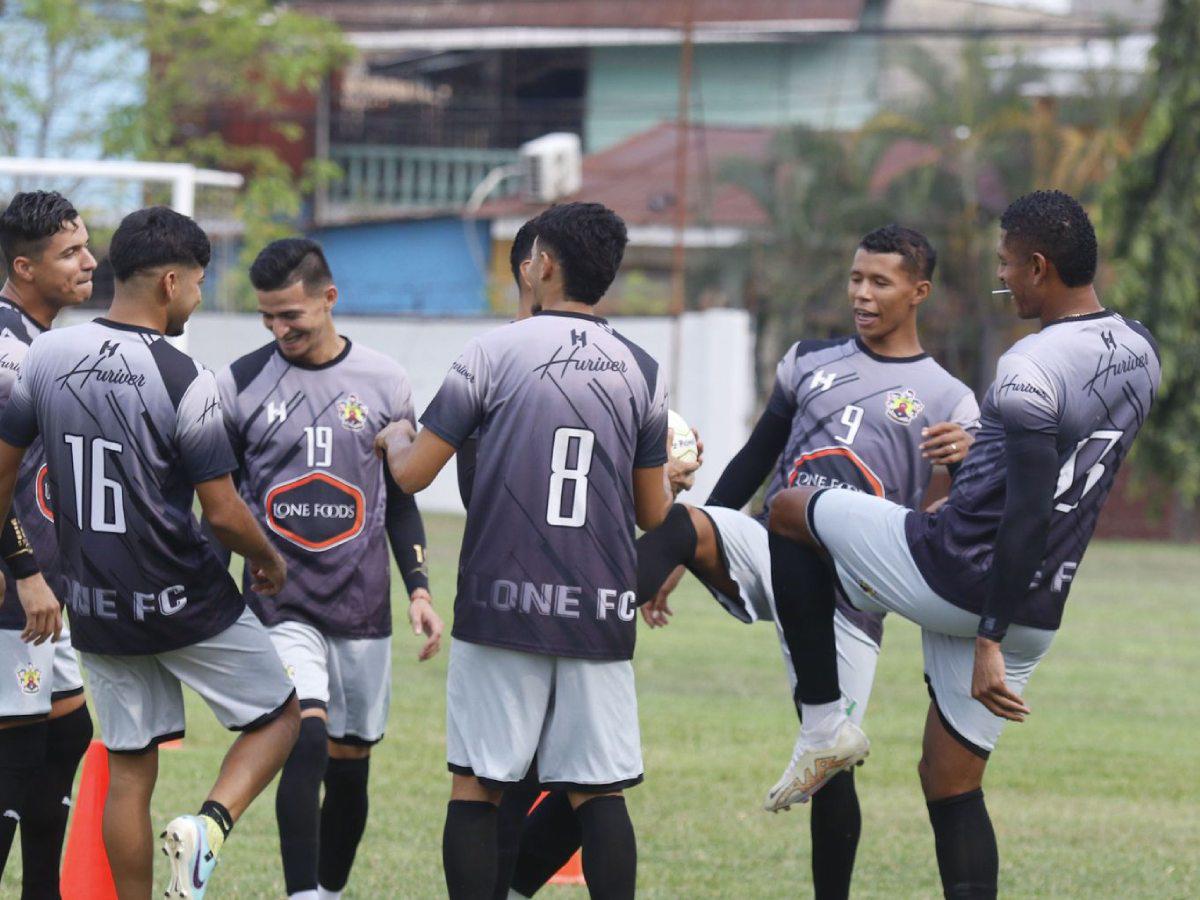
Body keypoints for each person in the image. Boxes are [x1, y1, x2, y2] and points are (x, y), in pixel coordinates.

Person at [767, 190, 1160, 898]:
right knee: (951, 784)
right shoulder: (1140, 351)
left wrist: (986, 636)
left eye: (1008, 265)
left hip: (954, 573)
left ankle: (824, 725)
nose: (1002, 278)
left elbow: (1030, 509)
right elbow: (1055, 474)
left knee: (790, 509)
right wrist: (976, 451)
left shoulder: (1030, 363)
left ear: (1039, 266)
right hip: (1040, 605)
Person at [627, 225, 978, 900]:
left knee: (832, 763)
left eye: (880, 282)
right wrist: (691, 547)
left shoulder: (947, 399)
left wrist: (963, 466)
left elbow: (963, 516)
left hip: (853, 596)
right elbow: (756, 458)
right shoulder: (807, 361)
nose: (862, 294)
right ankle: (594, 638)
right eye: (855, 279)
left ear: (919, 292)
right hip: (771, 552)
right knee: (674, 522)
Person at [0, 206, 301, 899]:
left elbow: (3, 475)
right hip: (182, 596)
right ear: (170, 282)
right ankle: (210, 827)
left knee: (130, 767)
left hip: (95, 604)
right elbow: (223, 513)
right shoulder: (188, 379)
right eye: (197, 283)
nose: (197, 296)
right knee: (280, 717)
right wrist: (269, 560)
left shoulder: (46, 356)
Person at [376, 201, 674, 900]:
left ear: (540, 264)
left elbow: (415, 472)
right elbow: (654, 512)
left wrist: (394, 439)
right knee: (599, 791)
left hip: (500, 599)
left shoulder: (493, 352)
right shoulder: (643, 369)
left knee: (477, 786)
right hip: (599, 606)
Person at [216, 237, 443, 900]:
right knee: (302, 736)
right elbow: (221, 503)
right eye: (267, 317)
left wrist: (421, 587)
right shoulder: (240, 383)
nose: (279, 329)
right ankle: (302, 895)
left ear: (328, 298)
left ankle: (330, 891)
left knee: (351, 765)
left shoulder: (385, 381)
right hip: (278, 605)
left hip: (362, 607)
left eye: (291, 314)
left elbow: (401, 502)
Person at [0, 190, 96, 898]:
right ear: (24, 267)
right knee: (19, 745)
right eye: (71, 253)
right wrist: (24, 569)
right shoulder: (5, 350)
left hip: (48, 593)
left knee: (68, 731)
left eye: (87, 245)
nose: (90, 261)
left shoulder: (51, 347)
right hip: (14, 590)